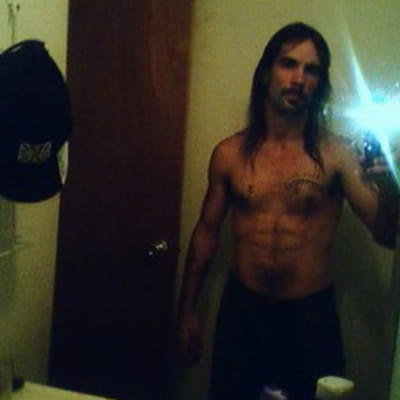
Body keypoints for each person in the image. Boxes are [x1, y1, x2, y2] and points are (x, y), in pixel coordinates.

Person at [177, 22, 399, 400]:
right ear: (266, 73)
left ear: (320, 83)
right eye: (289, 64)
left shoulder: (337, 155)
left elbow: (387, 235)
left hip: (309, 318)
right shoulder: (230, 154)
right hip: (243, 312)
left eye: (311, 70)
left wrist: (391, 189)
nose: (299, 78)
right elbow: (205, 235)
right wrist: (187, 311)